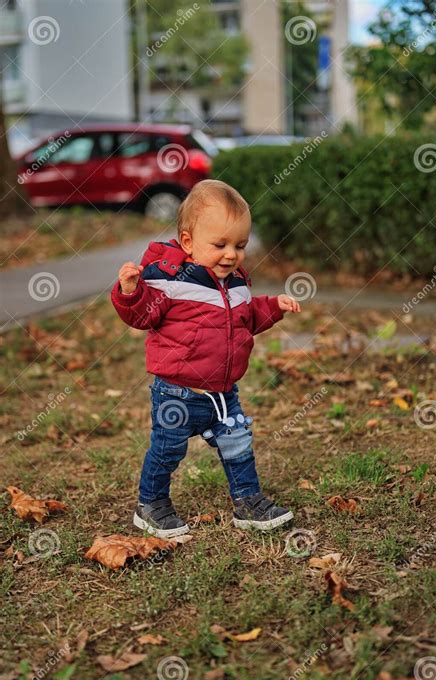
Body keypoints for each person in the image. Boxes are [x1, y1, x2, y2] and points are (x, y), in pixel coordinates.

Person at [111, 180, 301, 539]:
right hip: (177, 393)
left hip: (223, 393)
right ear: (188, 242)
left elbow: (247, 318)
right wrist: (131, 292)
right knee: (168, 450)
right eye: (220, 245)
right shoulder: (168, 281)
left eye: (240, 246)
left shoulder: (236, 282)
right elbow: (141, 317)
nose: (231, 255)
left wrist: (273, 306)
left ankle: (248, 502)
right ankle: (150, 505)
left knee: (238, 445)